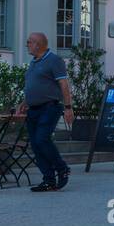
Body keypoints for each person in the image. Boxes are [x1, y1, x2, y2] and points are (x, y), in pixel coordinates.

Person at [17, 32, 74, 192]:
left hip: (49, 107)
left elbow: (63, 84)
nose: (27, 44)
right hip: (33, 109)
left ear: (39, 44)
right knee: (35, 144)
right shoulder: (34, 62)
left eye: (29, 42)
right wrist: (24, 102)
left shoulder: (54, 60)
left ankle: (61, 168)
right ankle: (48, 179)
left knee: (42, 139)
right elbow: (34, 86)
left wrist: (68, 108)